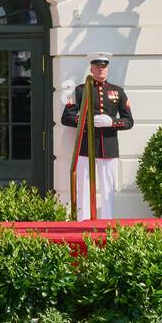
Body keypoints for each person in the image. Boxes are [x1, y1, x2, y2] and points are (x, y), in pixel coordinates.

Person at [61, 52, 134, 221]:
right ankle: (83, 222)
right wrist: (88, 121)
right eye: (97, 66)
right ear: (91, 68)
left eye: (104, 66)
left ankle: (107, 223)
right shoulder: (80, 90)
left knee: (109, 190)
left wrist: (112, 123)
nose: (101, 69)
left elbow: (129, 121)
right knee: (84, 187)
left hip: (108, 147)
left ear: (107, 68)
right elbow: (67, 117)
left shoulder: (118, 91)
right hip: (86, 146)